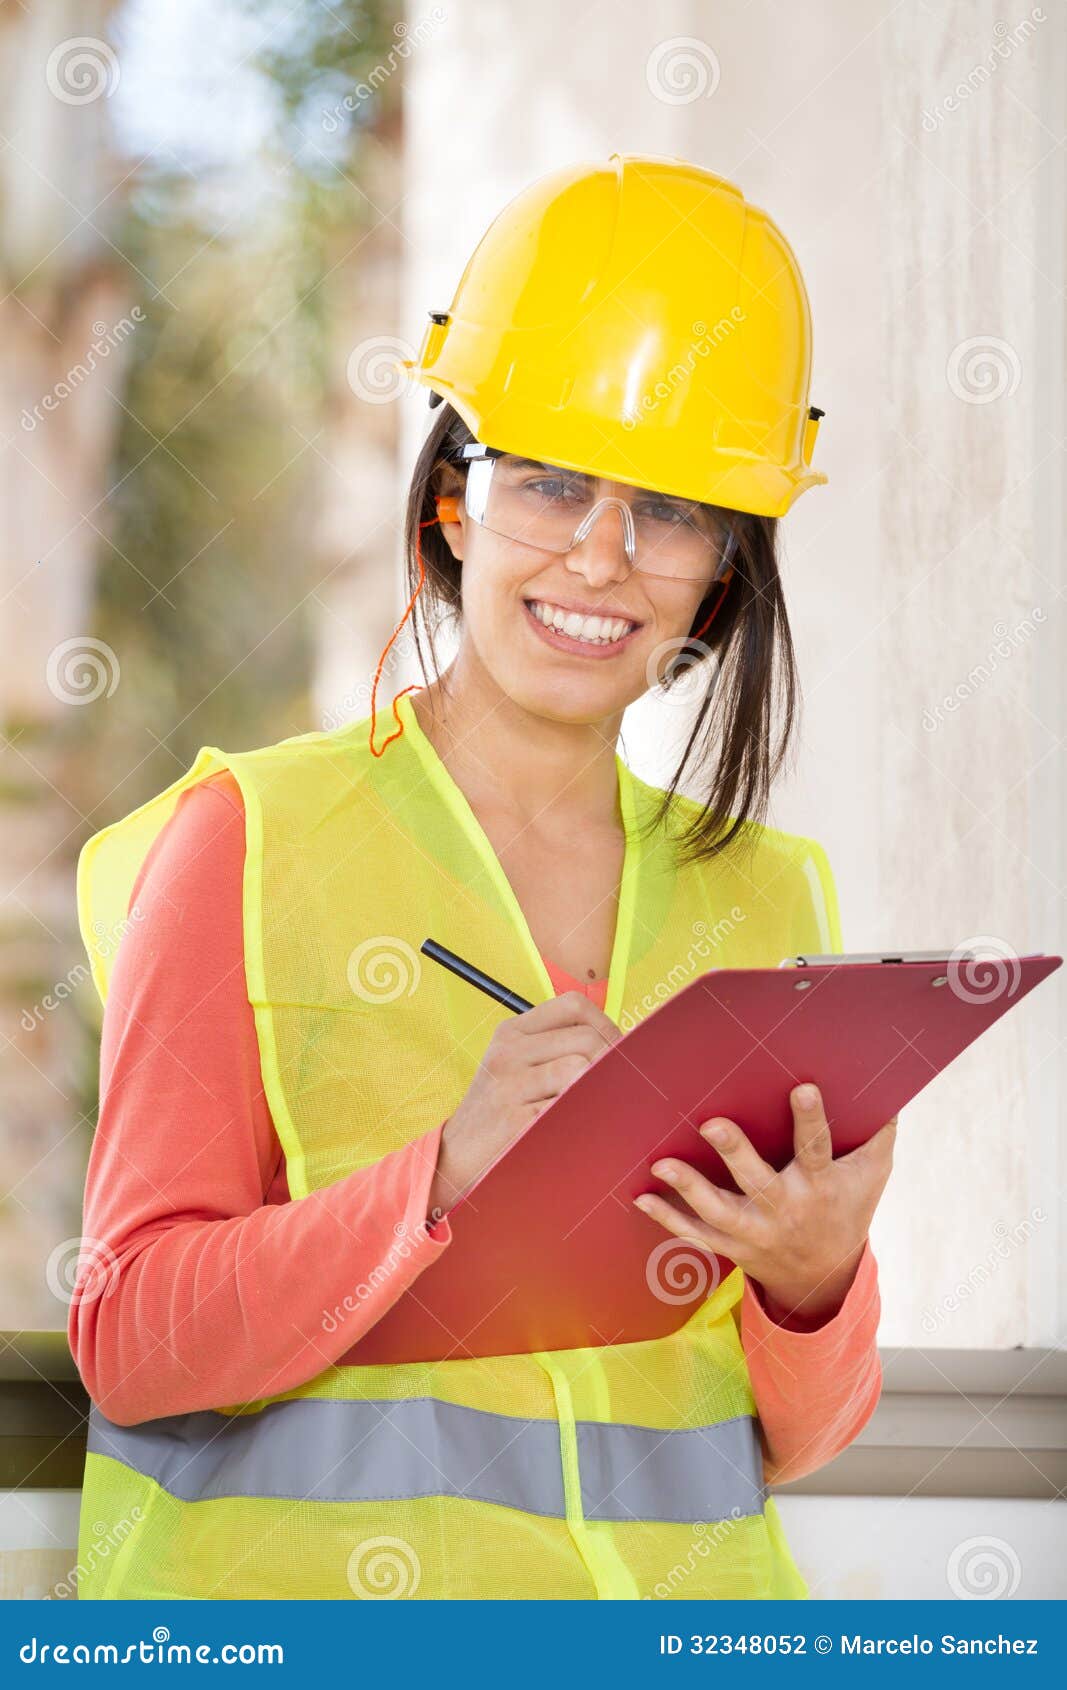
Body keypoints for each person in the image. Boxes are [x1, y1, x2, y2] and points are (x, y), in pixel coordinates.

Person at [70, 154, 895, 1601]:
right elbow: (131, 1335)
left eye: (673, 510)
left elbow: (793, 1438)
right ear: (455, 500)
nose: (601, 555)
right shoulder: (251, 845)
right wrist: (438, 1177)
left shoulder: (770, 902)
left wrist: (813, 1278)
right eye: (553, 482)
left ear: (724, 572)